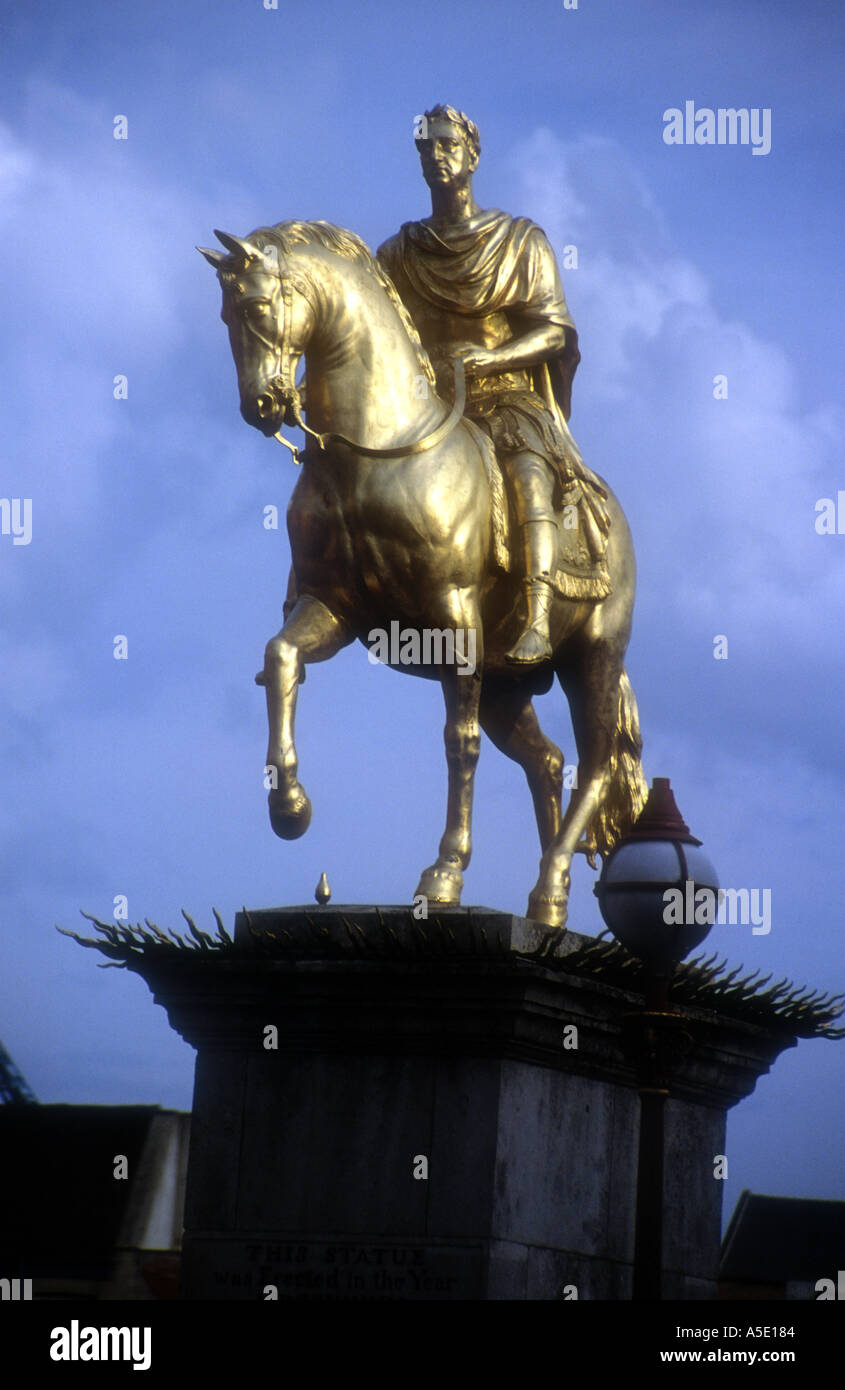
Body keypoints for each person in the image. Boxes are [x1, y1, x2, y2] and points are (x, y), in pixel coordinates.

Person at [377, 104, 609, 665]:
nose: (437, 156)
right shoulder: (398, 255)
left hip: (506, 398)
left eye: (448, 146)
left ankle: (536, 613)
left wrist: (494, 356)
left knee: (529, 473)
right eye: (427, 147)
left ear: (472, 156)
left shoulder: (519, 241)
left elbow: (554, 332)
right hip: (428, 406)